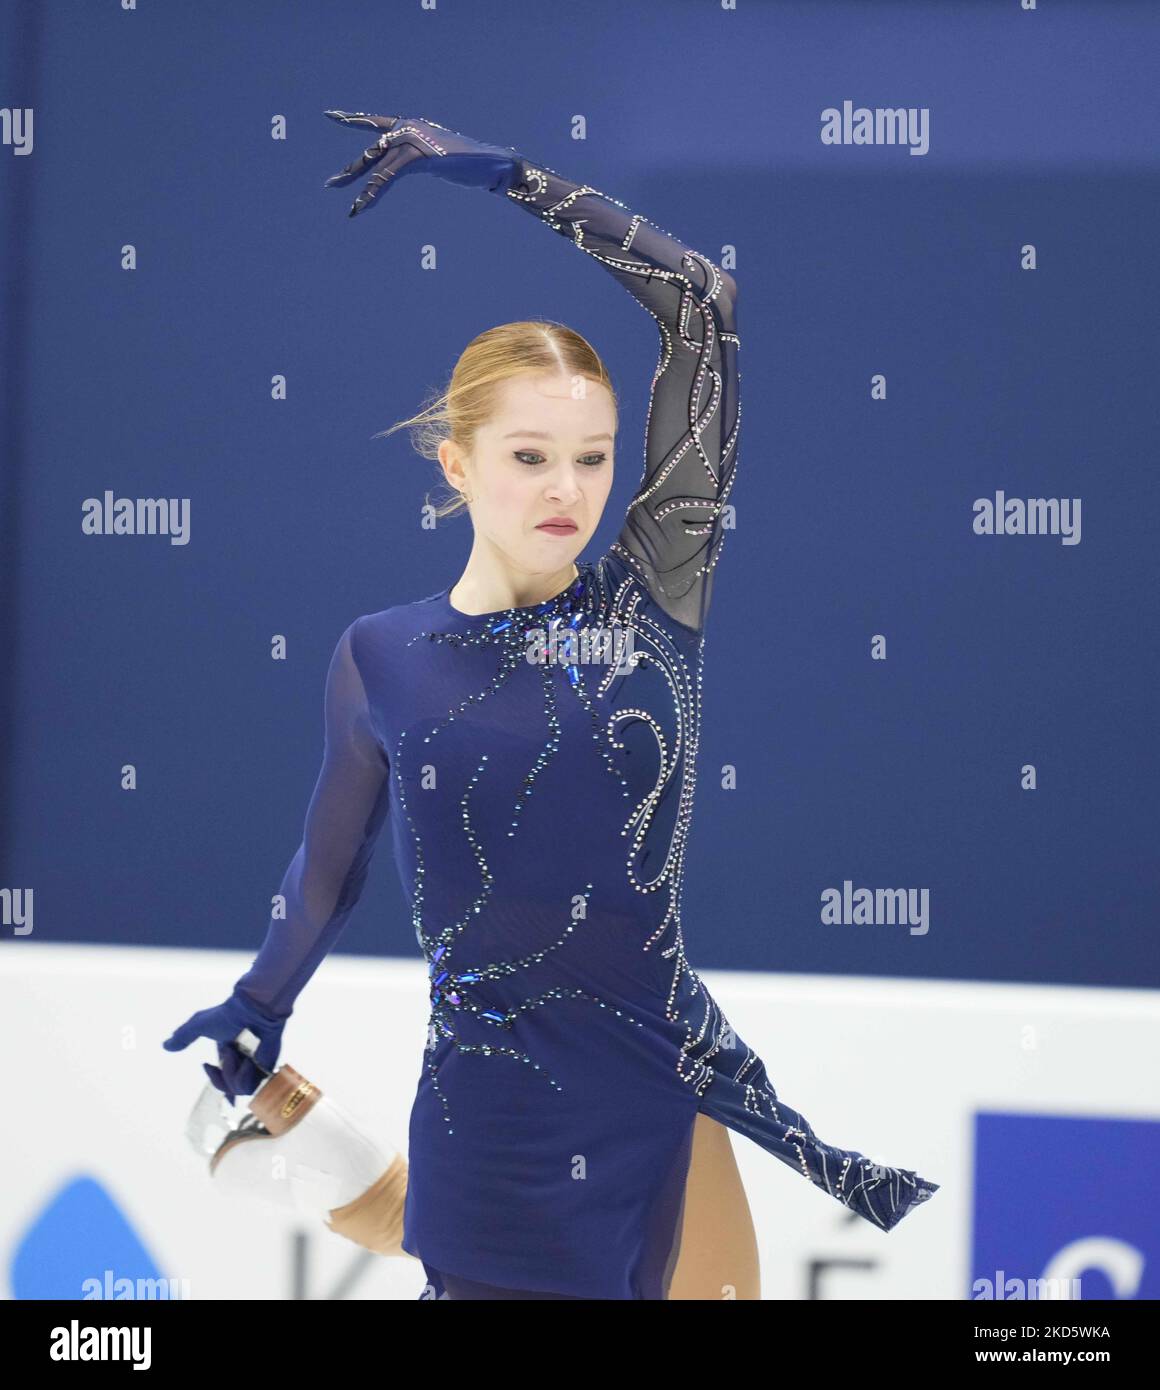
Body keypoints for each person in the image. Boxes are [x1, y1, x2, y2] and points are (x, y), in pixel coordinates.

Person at [163, 111, 938, 1301]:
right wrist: (259, 998)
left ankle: (331, 1173)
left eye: (591, 455)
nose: (568, 488)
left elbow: (700, 302)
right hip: (487, 1097)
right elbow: (330, 862)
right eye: (529, 457)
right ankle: (339, 1172)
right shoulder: (382, 654)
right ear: (456, 462)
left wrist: (512, 179)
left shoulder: (656, 592)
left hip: (659, 1078)